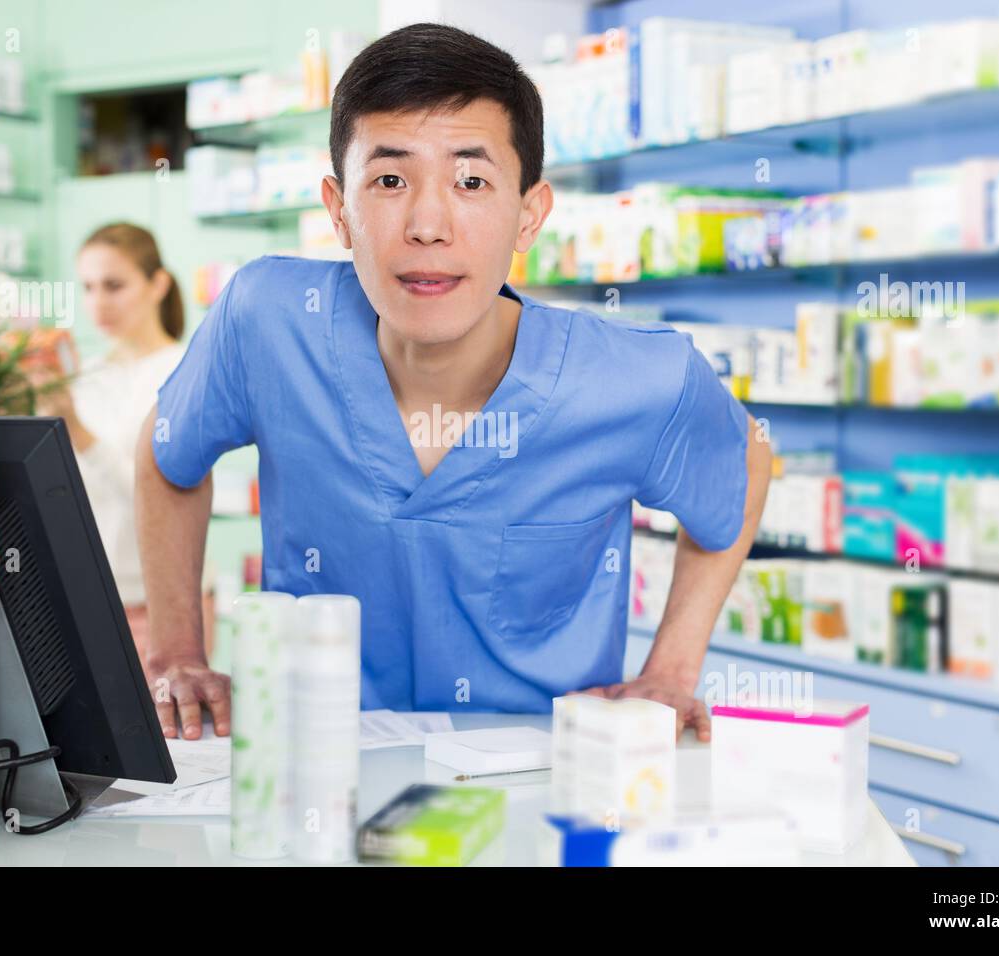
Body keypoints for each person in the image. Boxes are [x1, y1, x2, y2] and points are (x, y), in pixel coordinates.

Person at [134, 23, 772, 741]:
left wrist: (673, 670)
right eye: (389, 180)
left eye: (471, 181)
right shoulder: (267, 321)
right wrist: (176, 653)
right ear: (339, 210)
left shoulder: (634, 377)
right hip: (308, 768)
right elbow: (167, 456)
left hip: (540, 782)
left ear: (530, 214)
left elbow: (745, 458)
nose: (428, 224)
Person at [35, 222, 213, 673]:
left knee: (169, 740)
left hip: (163, 608)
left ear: (158, 285)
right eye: (89, 288)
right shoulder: (86, 376)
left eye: (114, 286)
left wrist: (74, 427)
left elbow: (158, 490)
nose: (98, 303)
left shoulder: (186, 368)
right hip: (88, 599)